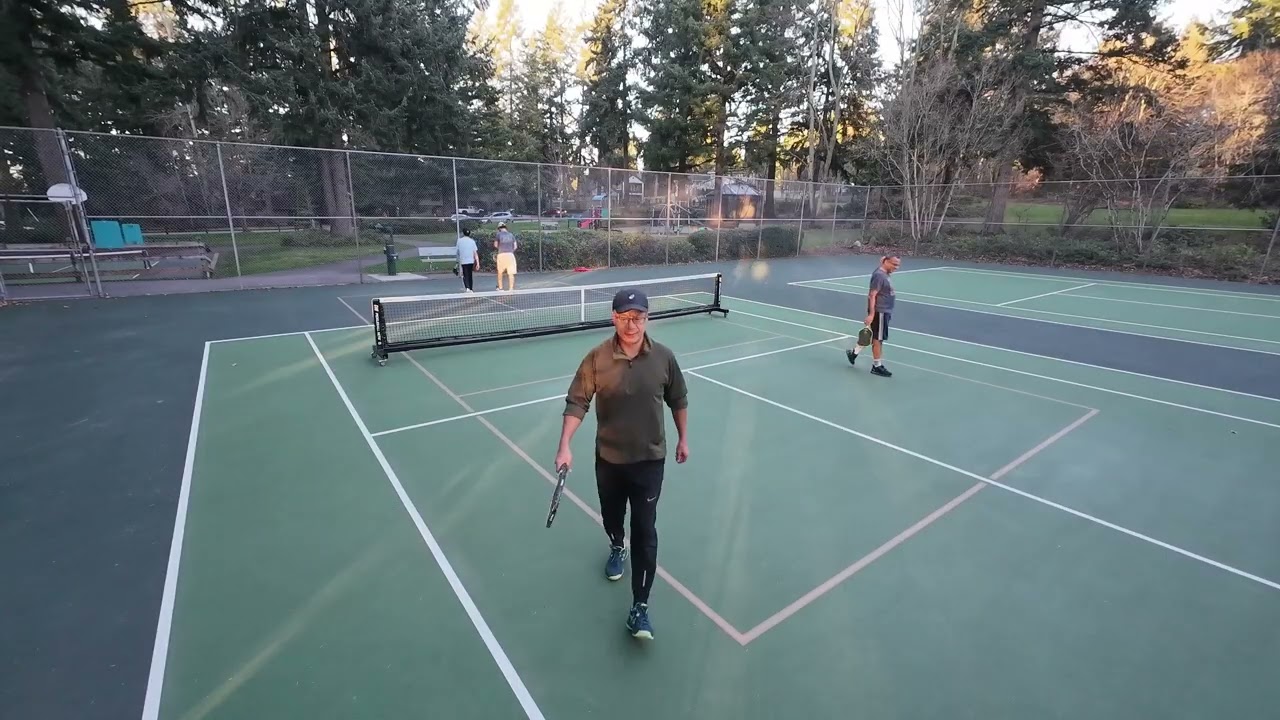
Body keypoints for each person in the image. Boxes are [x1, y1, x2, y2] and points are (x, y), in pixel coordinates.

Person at [555, 288, 689, 641]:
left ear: (647, 319)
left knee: (646, 530)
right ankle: (617, 544)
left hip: (649, 461)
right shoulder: (597, 358)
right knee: (613, 517)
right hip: (610, 459)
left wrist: (683, 438)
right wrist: (565, 445)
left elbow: (679, 399)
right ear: (614, 317)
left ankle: (640, 608)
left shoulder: (664, 357)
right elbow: (577, 402)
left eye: (639, 317)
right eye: (625, 317)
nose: (632, 324)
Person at [846, 254, 899, 377]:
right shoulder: (879, 276)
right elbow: (872, 295)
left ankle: (853, 353)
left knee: (874, 336)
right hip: (880, 311)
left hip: (884, 311)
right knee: (878, 340)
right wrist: (871, 314)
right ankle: (877, 366)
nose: (897, 267)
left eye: (898, 265)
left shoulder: (884, 273)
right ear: (886, 262)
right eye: (894, 264)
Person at [494, 222, 518, 291]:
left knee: (500, 272)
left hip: (501, 254)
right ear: (505, 227)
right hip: (510, 255)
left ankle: (500, 288)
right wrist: (510, 250)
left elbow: (495, 245)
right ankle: (511, 288)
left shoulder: (498, 234)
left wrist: (501, 248)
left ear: (499, 228)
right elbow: (515, 246)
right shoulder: (511, 235)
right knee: (511, 273)